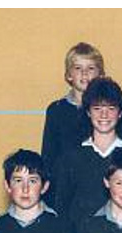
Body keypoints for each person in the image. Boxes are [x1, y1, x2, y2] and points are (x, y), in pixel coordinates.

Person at [49, 76, 122, 221]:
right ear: (88, 112)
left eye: (111, 108)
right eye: (97, 108)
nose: (104, 115)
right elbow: (62, 207)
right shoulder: (70, 158)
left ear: (120, 113)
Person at [42, 42, 104, 176]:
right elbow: (49, 156)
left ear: (100, 74)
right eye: (78, 68)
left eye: (91, 68)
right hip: (65, 184)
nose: (84, 73)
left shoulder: (109, 112)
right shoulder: (56, 110)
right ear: (69, 75)